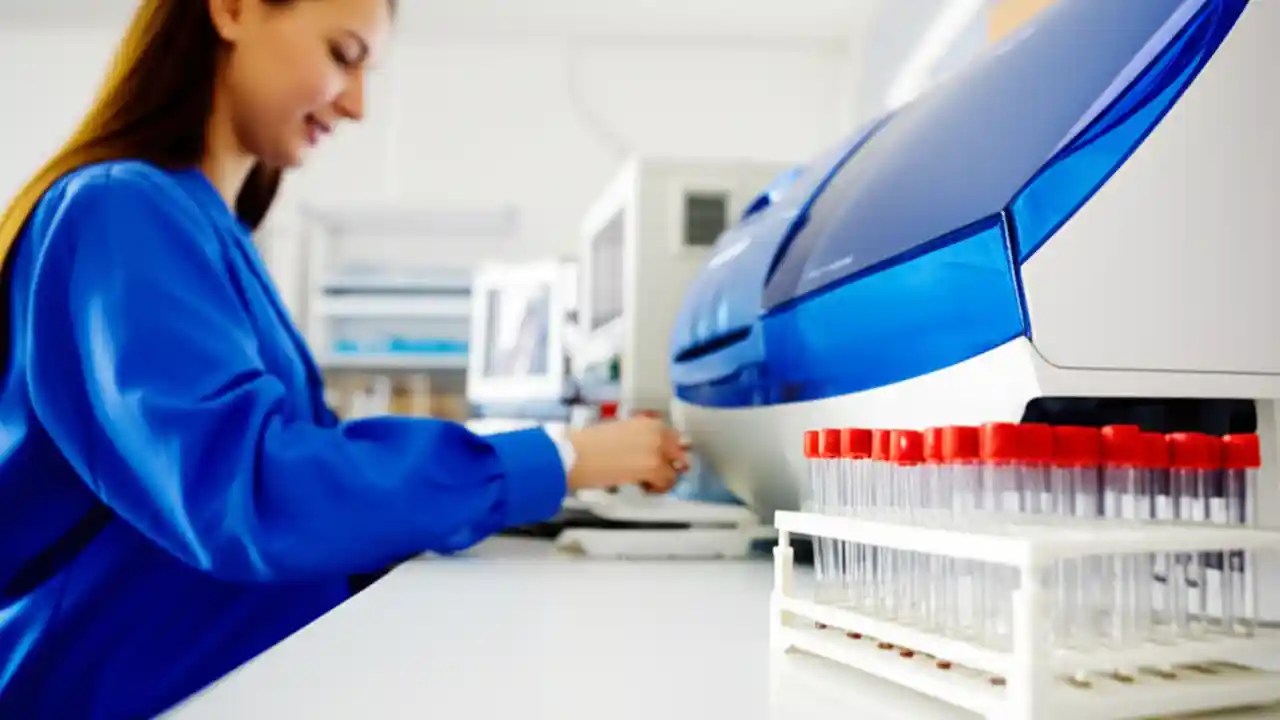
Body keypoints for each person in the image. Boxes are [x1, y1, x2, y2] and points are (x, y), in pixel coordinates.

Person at [0, 1, 688, 717]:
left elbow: (312, 481)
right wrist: (561, 458)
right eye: (343, 54)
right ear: (233, 10)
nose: (358, 104)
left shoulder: (208, 229)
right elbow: (251, 489)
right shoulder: (122, 208)